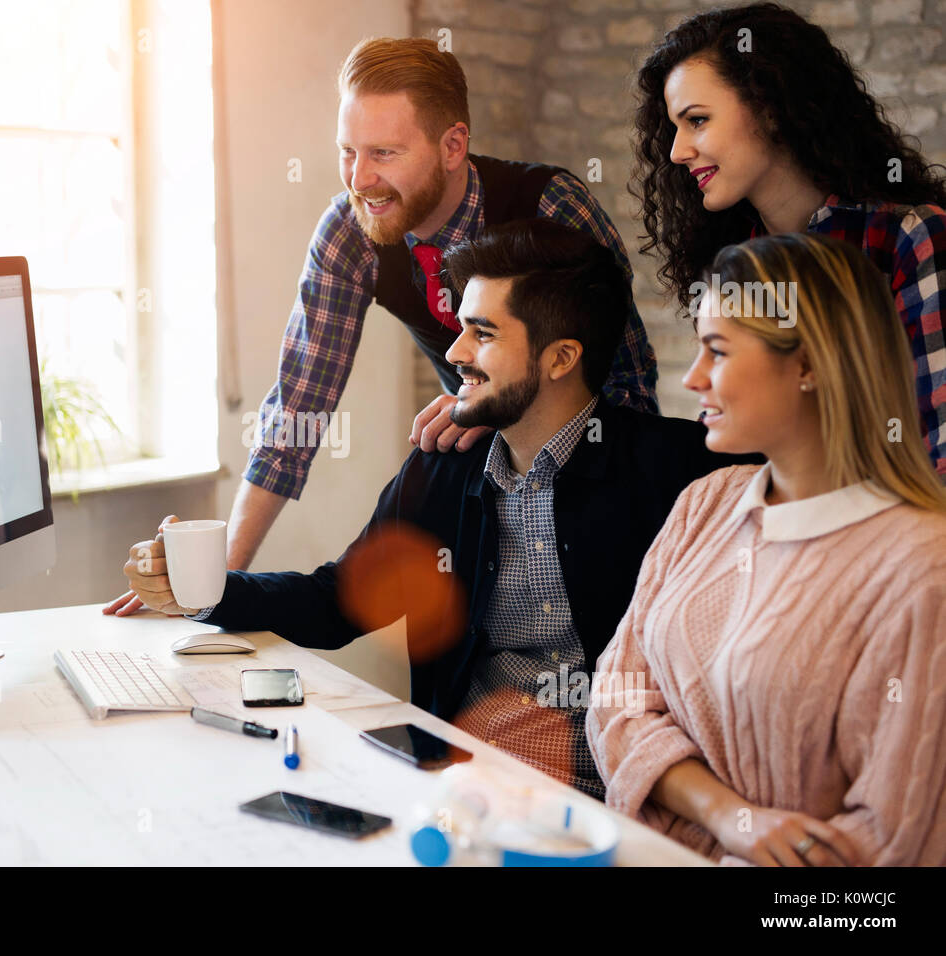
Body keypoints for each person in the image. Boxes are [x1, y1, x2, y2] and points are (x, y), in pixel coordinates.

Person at [120, 220, 742, 798]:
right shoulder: (445, 464)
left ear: (561, 358)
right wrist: (204, 592)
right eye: (462, 326)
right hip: (463, 786)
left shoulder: (680, 474)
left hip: (614, 798)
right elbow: (338, 600)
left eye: (485, 333)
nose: (455, 353)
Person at [105, 36, 659, 616]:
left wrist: (497, 410)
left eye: (385, 154)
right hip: (474, 463)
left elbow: (626, 383)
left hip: (589, 479)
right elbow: (297, 410)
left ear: (452, 145)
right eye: (349, 151)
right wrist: (211, 583)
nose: (360, 179)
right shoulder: (350, 231)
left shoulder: (549, 205)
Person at [587, 233, 946, 866]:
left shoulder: (922, 568)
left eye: (717, 351)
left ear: (808, 364)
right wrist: (730, 816)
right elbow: (615, 699)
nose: (692, 377)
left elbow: (894, 843)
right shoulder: (706, 504)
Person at [632, 2, 946, 477]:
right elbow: (737, 453)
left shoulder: (908, 237)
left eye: (696, 120)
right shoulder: (732, 266)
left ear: (771, 108)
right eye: (674, 128)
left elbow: (939, 445)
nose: (677, 151)